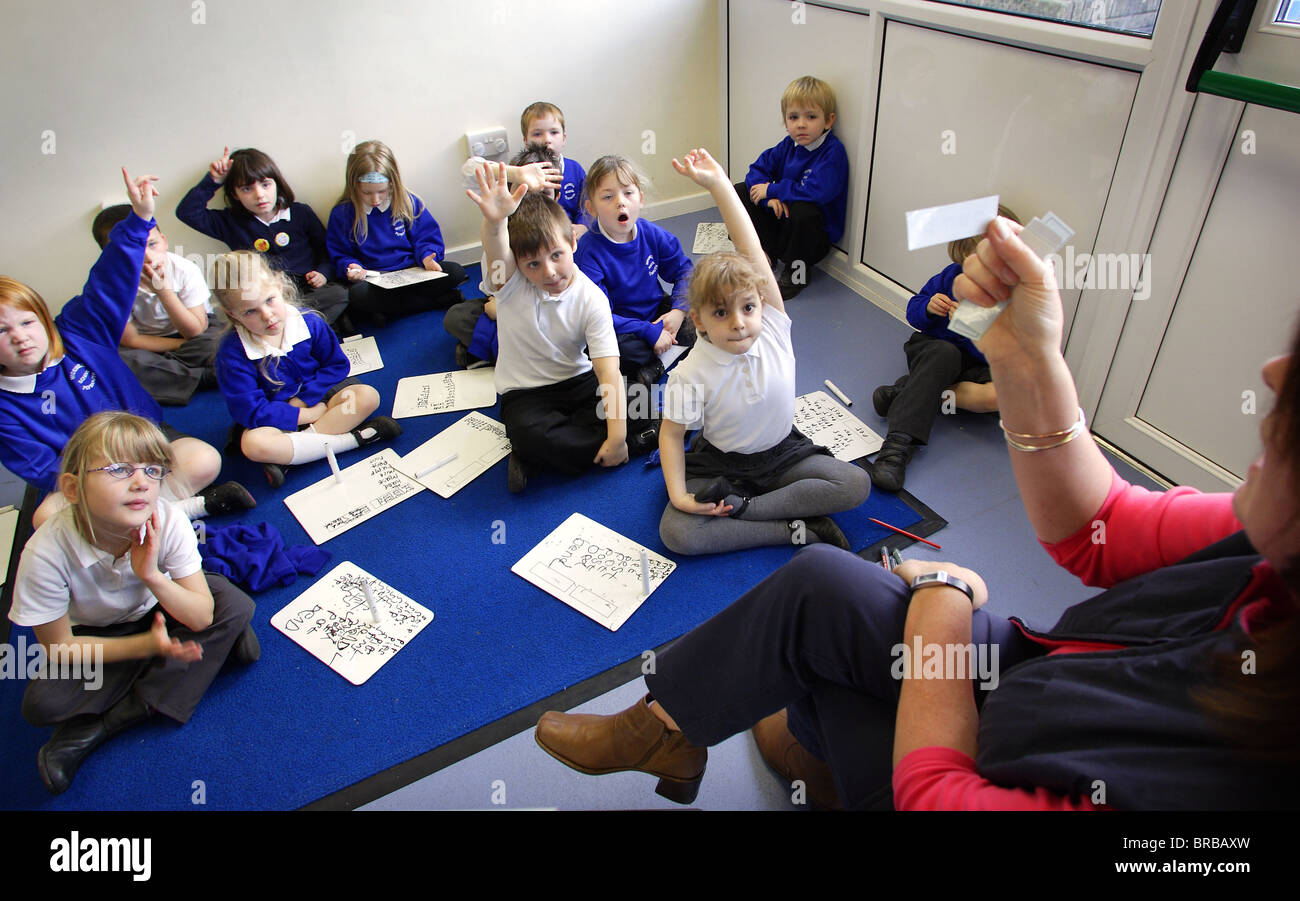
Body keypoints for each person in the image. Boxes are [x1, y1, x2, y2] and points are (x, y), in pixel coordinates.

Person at [534, 212, 1300, 811]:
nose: (1275, 370)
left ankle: (817, 760)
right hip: (1037, 676)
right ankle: (667, 730)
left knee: (816, 641)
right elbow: (1101, 527)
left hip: (996, 753)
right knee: (822, 584)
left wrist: (944, 599)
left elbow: (941, 796)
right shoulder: (1267, 537)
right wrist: (1026, 355)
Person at [9, 411, 259, 795]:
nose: (142, 482)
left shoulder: (167, 519)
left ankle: (102, 727)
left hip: (157, 604)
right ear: (73, 490)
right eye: (119, 469)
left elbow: (200, 613)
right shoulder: (44, 555)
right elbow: (60, 647)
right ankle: (201, 656)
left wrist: (152, 576)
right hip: (100, 631)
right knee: (42, 703)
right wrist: (145, 646)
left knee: (233, 605)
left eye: (152, 470)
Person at [0, 168, 253, 529]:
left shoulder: (75, 330)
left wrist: (140, 218)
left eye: (26, 323)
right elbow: (42, 470)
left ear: (42, 319)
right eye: (2, 331)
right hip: (87, 480)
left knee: (204, 460)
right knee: (46, 518)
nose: (20, 337)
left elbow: (108, 279)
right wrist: (105, 483)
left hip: (145, 443)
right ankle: (184, 511)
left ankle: (125, 524)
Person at [654, 148, 869, 557]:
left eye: (747, 307)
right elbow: (672, 434)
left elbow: (751, 248)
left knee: (855, 483)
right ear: (698, 321)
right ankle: (796, 529)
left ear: (761, 305)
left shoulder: (773, 325)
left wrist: (719, 184)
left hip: (784, 454)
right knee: (678, 533)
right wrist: (680, 496)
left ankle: (750, 510)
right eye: (721, 312)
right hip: (723, 463)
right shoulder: (689, 374)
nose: (738, 322)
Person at [466, 163, 655, 494]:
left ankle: (550, 458)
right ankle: (626, 447)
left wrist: (616, 437)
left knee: (642, 403)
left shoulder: (591, 297)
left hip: (580, 382)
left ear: (573, 241)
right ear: (519, 265)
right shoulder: (510, 284)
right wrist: (495, 222)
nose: (550, 272)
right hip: (527, 394)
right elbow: (496, 250)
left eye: (557, 255)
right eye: (533, 264)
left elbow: (608, 372)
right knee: (529, 433)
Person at [211, 251, 400, 488]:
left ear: (279, 287)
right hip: (275, 415)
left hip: (322, 398)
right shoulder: (231, 352)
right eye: (250, 311)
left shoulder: (310, 322)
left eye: (269, 300)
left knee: (366, 397)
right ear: (232, 314)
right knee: (253, 445)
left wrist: (304, 400)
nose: (267, 316)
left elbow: (336, 366)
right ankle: (353, 440)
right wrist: (302, 415)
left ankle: (296, 454)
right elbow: (248, 409)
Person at [868, 205, 1021, 491]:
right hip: (933, 351)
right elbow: (913, 312)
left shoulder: (1010, 294)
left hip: (975, 363)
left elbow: (1003, 351)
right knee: (944, 354)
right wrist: (927, 306)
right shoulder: (951, 276)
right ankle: (897, 447)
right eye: (969, 264)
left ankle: (906, 393)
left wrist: (974, 326)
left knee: (1002, 392)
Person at [175, 146, 350, 330]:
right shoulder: (231, 222)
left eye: (265, 185)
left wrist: (322, 273)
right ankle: (305, 325)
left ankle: (293, 327)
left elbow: (325, 249)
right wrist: (213, 181)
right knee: (249, 315)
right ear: (235, 194)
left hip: (309, 291)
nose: (259, 195)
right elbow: (187, 212)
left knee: (339, 294)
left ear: (277, 184)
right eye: (247, 189)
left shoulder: (300, 212)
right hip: (266, 301)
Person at [575, 155, 695, 389]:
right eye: (608, 197)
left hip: (657, 315)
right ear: (592, 208)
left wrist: (678, 312)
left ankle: (656, 366)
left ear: (640, 199)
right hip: (621, 327)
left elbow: (685, 270)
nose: (620, 203)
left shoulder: (650, 233)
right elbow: (597, 317)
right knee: (615, 352)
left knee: (702, 317)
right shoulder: (587, 253)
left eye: (628, 193)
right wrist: (648, 332)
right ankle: (662, 356)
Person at [446, 142, 565, 369]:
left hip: (546, 314)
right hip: (505, 305)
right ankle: (497, 350)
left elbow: (567, 299)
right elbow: (470, 168)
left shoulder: (562, 235)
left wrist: (502, 312)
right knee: (457, 317)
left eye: (544, 194)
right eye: (524, 192)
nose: (534, 203)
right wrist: (516, 173)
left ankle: (486, 351)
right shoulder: (502, 229)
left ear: (557, 199)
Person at [91, 204, 223, 407]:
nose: (147, 258)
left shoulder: (184, 269)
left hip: (196, 334)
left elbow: (194, 330)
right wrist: (178, 347)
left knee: (219, 342)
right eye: (131, 250)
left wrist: (164, 292)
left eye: (151, 244)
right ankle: (204, 377)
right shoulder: (111, 285)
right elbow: (131, 339)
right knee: (115, 361)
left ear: (164, 241)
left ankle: (172, 373)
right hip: (148, 342)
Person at [326, 140, 466, 327]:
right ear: (354, 186)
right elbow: (340, 254)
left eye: (382, 191)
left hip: (413, 272)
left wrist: (427, 257)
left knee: (455, 271)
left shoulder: (407, 202)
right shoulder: (343, 214)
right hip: (376, 280)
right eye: (367, 193)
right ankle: (436, 302)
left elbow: (426, 237)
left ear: (392, 184)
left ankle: (389, 311)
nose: (375, 199)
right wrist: (352, 267)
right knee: (357, 295)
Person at [736, 75, 848, 299]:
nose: (801, 124)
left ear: (828, 120)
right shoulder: (788, 145)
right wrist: (768, 197)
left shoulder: (832, 152)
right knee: (741, 190)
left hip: (811, 237)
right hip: (784, 223)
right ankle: (764, 255)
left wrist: (774, 189)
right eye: (793, 117)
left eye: (811, 117)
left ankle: (796, 273)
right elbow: (757, 171)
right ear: (785, 121)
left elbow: (816, 192)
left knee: (803, 209)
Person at [519, 101, 587, 239]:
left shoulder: (575, 169)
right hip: (535, 236)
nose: (547, 140)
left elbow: (585, 206)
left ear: (563, 138)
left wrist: (583, 225)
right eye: (537, 134)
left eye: (554, 132)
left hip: (571, 234)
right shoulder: (521, 173)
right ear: (526, 141)